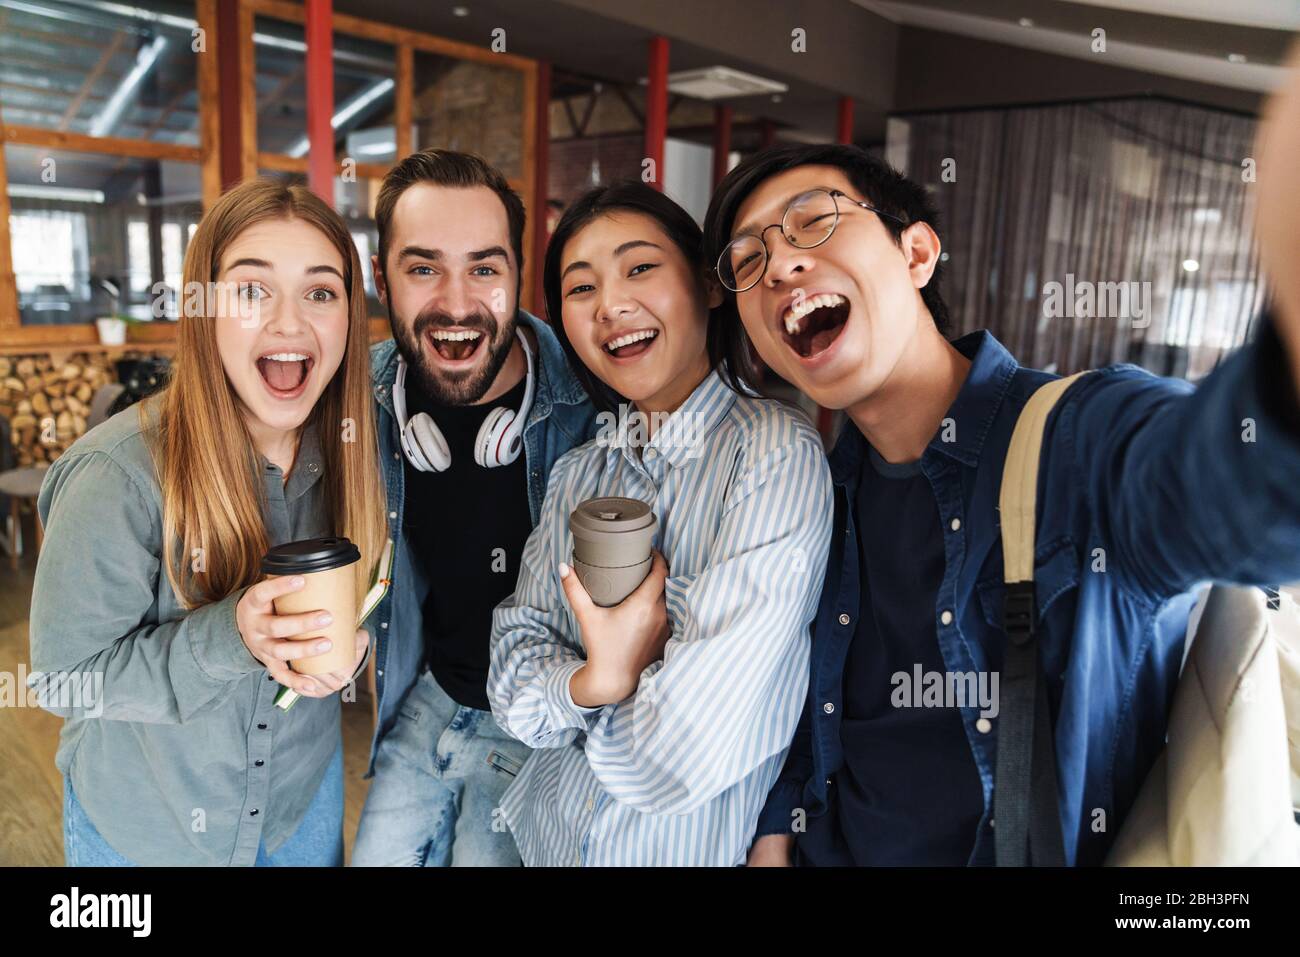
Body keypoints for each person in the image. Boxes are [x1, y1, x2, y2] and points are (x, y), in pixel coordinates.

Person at [704, 47, 1300, 867]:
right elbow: (799, 704)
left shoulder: (1076, 439)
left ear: (916, 254)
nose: (782, 265)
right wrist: (777, 827)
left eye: (814, 221)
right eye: (748, 261)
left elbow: (1231, 493)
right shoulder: (812, 489)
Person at [30, 178, 386, 866]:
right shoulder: (117, 474)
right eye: (252, 290)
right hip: (149, 831)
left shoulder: (359, 453)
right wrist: (233, 636)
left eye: (320, 291)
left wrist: (354, 648)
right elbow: (60, 677)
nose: (290, 322)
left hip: (298, 814)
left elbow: (375, 598)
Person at [487, 181, 833, 866]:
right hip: (539, 843)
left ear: (709, 285)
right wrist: (602, 679)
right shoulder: (581, 471)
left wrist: (572, 701)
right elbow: (511, 681)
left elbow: (673, 755)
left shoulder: (773, 457)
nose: (611, 305)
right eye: (580, 289)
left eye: (640, 268)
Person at [351, 150, 597, 867]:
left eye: (484, 269)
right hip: (428, 693)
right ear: (380, 276)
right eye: (423, 268)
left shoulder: (591, 404)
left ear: (517, 275)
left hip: (540, 723)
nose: (457, 304)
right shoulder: (358, 399)